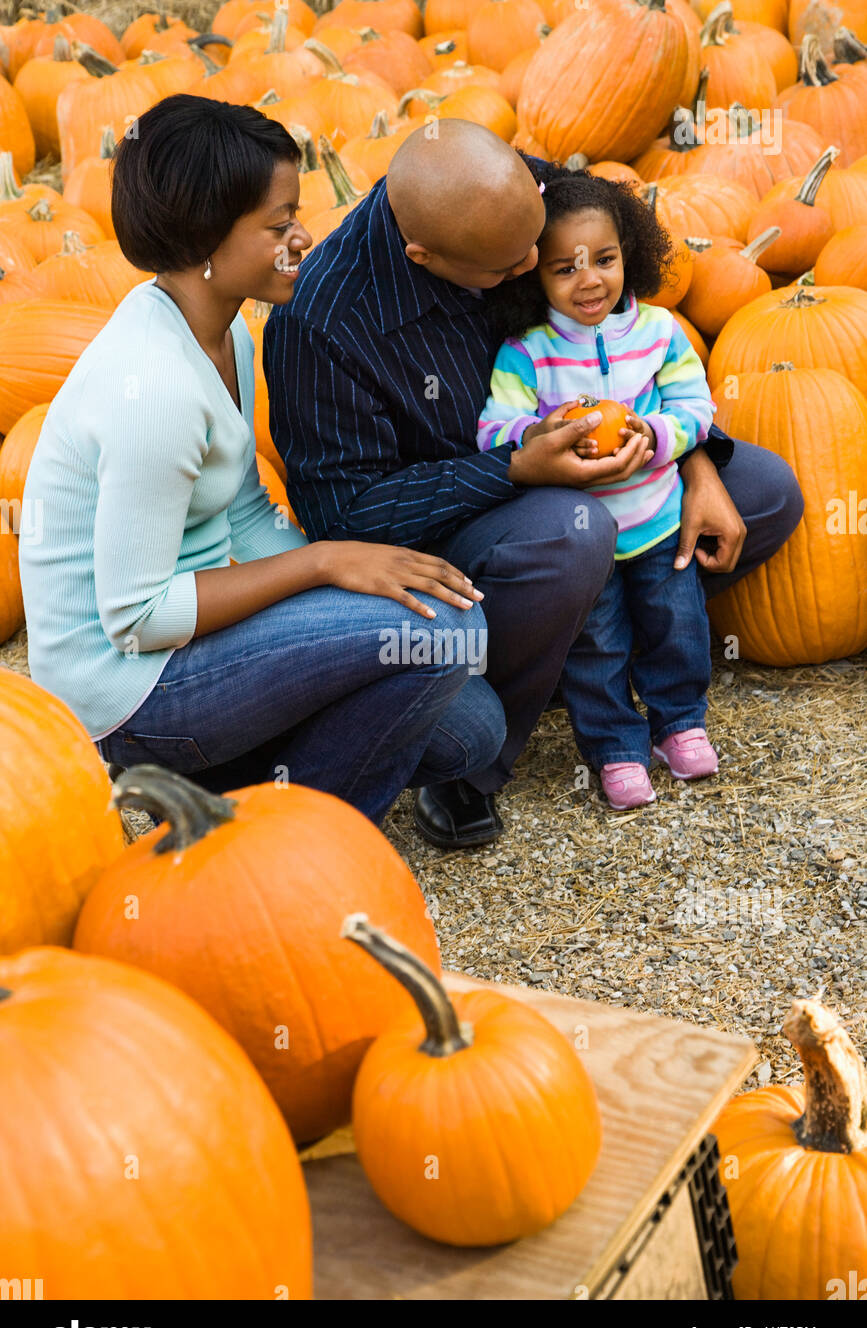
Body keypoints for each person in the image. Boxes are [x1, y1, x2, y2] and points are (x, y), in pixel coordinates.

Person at [265, 120, 804, 846]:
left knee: (765, 491)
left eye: (536, 246)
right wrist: (514, 467)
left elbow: (633, 321)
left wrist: (693, 461)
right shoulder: (322, 323)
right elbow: (347, 516)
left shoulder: (518, 184)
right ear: (424, 256)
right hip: (469, 530)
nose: (533, 265)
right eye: (506, 267)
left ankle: (579, 645)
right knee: (571, 533)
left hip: (622, 473)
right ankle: (476, 759)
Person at [18, 95, 506, 827]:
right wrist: (325, 566)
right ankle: (291, 835)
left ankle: (243, 773)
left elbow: (245, 511)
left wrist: (341, 605)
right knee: (440, 636)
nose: (302, 238)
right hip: (133, 690)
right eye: (278, 225)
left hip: (205, 642)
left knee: (470, 731)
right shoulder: (155, 391)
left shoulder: (226, 333)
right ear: (206, 237)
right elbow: (138, 617)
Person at [478, 171, 721, 809]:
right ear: (535, 275)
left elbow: (697, 407)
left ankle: (679, 723)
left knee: (678, 626)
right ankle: (614, 750)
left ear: (628, 254)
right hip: (585, 538)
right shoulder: (526, 352)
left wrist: (658, 433)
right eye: (565, 268)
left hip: (658, 517)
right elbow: (492, 431)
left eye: (605, 260)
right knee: (597, 644)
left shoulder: (661, 333)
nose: (589, 281)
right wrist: (544, 431)